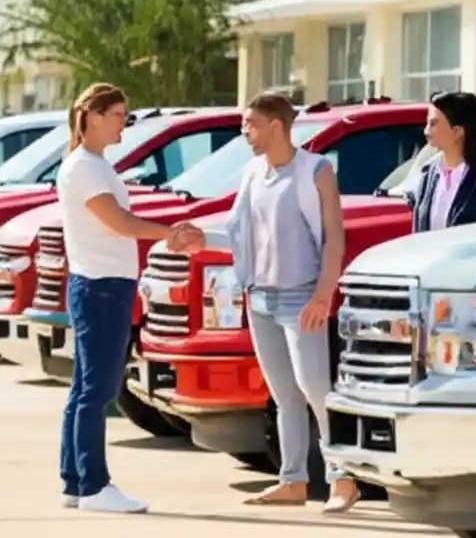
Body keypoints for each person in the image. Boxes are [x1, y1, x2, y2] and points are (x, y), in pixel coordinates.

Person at [185, 91, 361, 513]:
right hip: (259, 297)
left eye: (251, 124)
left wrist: (324, 295)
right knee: (284, 395)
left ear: (276, 125)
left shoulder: (314, 171)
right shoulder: (252, 173)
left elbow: (335, 236)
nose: (245, 131)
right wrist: (201, 239)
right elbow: (242, 236)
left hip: (303, 296)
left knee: (316, 390)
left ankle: (343, 479)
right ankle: (293, 481)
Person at [55, 83, 202, 514]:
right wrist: (169, 234)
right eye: (120, 114)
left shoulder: (95, 164)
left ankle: (76, 482)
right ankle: (94, 486)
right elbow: (117, 221)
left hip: (102, 285)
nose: (125, 123)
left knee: (85, 388)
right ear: (94, 117)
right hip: (100, 287)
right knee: (97, 391)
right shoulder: (84, 167)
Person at [409, 91, 476, 231]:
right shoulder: (428, 176)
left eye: (433, 123)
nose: (426, 131)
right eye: (427, 123)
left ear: (457, 131)